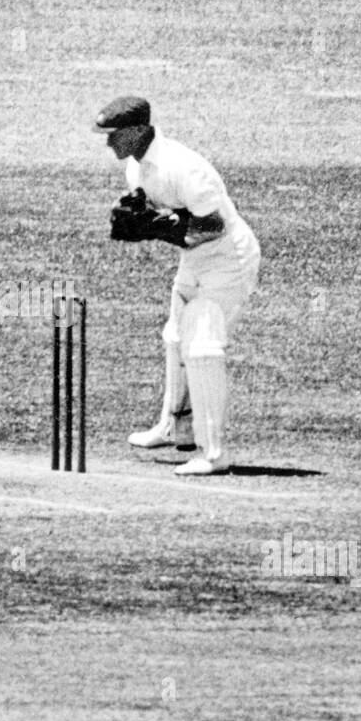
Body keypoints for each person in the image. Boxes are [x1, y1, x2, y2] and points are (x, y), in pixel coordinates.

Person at [98, 96, 262, 475]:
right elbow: (166, 221)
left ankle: (213, 453)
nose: (108, 144)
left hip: (228, 261)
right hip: (196, 258)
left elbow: (213, 226)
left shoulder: (182, 167)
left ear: (138, 131)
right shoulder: (137, 169)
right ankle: (176, 425)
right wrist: (146, 223)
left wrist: (156, 228)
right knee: (174, 336)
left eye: (114, 135)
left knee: (201, 346)